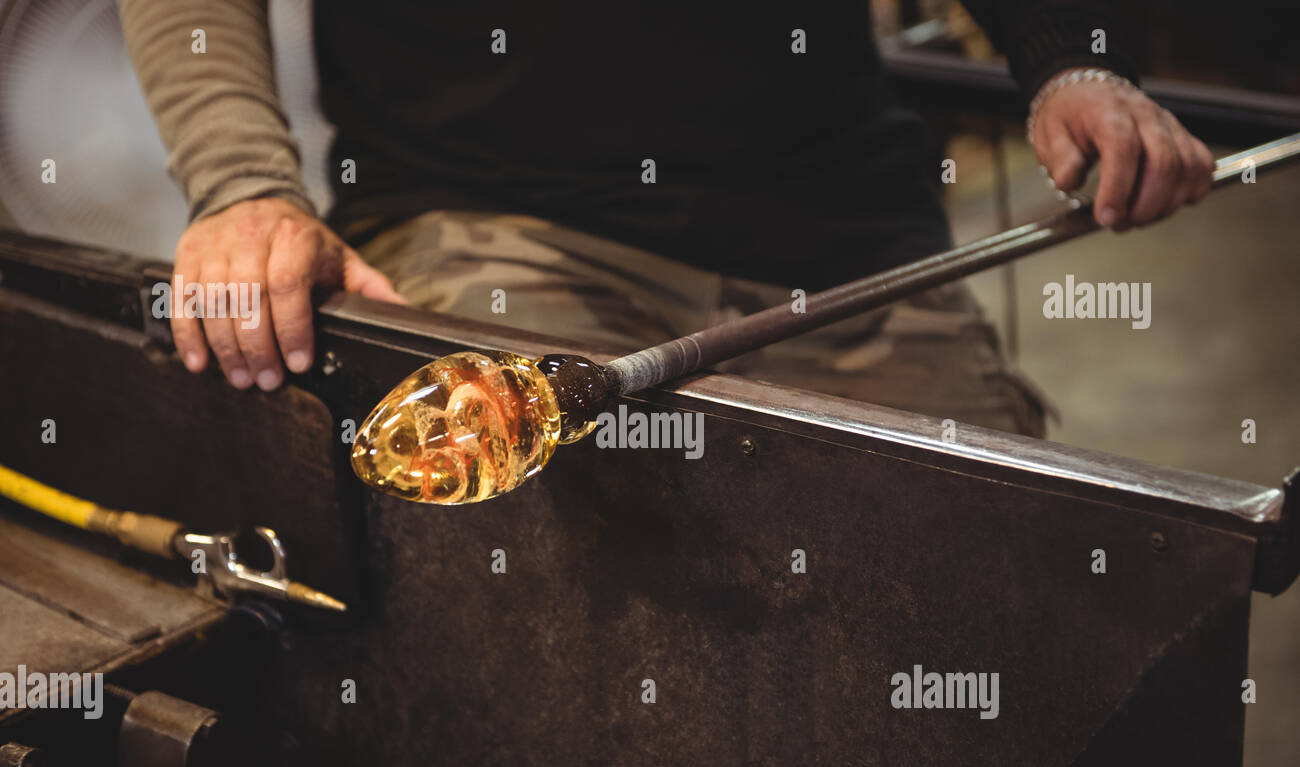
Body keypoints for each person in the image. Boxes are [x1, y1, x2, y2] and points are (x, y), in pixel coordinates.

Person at [120, 1, 1214, 438]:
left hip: (842, 243)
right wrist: (242, 184)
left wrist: (1068, 57)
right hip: (496, 222)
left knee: (1020, 607)